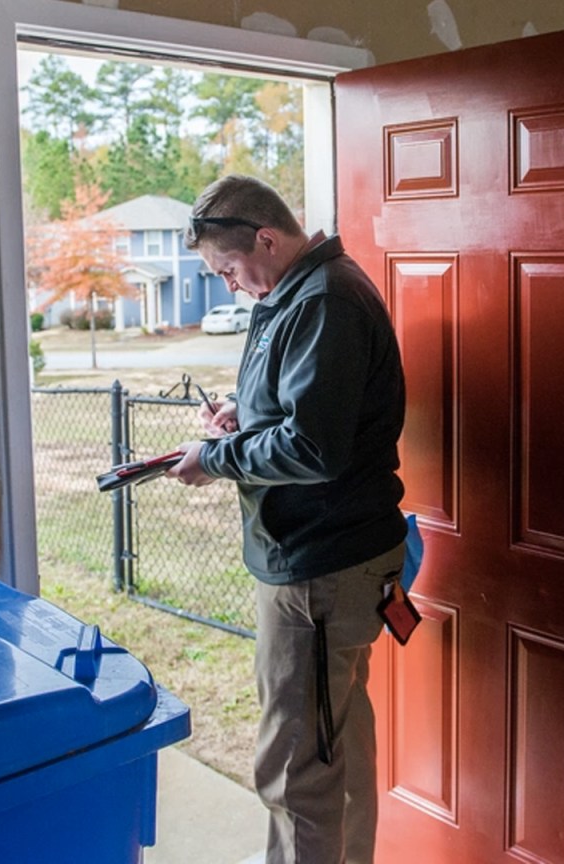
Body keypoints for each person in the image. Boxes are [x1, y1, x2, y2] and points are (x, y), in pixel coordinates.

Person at [166, 174, 407, 864]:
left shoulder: (325, 300)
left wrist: (214, 459)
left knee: (296, 767)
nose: (231, 286)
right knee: (338, 740)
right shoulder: (296, 291)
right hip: (340, 559)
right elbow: (309, 413)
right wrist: (245, 419)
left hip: (320, 569)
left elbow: (314, 446)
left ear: (266, 239)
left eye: (229, 269)